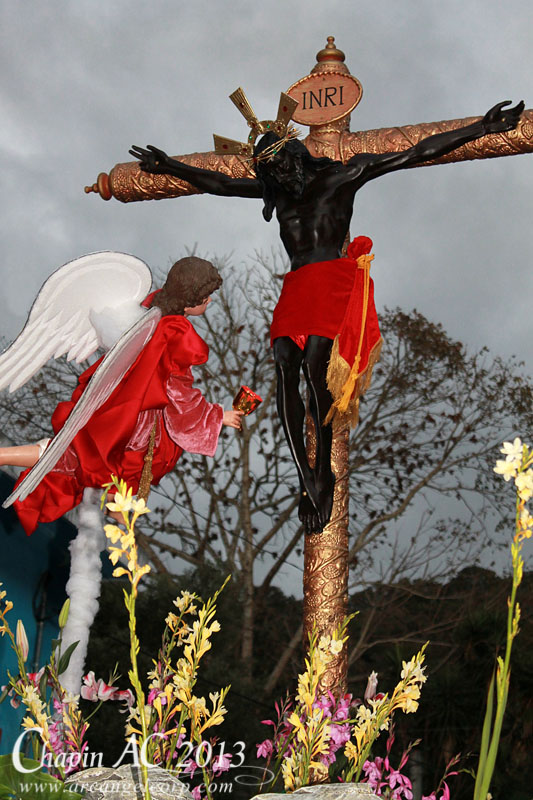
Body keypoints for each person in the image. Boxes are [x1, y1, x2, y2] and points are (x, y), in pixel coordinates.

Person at [129, 99, 524, 534]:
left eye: (279, 167)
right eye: (269, 172)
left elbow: (415, 152)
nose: (276, 177)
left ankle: (323, 473)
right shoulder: (279, 192)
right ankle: (306, 474)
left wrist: (481, 129)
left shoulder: (343, 175)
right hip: (297, 284)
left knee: (318, 370)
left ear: (294, 154)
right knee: (284, 369)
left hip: (331, 280)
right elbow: (219, 184)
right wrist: (170, 166)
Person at [0, 256, 244, 535]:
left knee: (85, 459)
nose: (209, 302)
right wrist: (216, 417)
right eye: (206, 298)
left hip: (114, 405)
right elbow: (178, 392)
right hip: (134, 420)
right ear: (189, 302)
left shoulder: (150, 311)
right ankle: (118, 527)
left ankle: (117, 523)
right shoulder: (175, 331)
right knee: (88, 460)